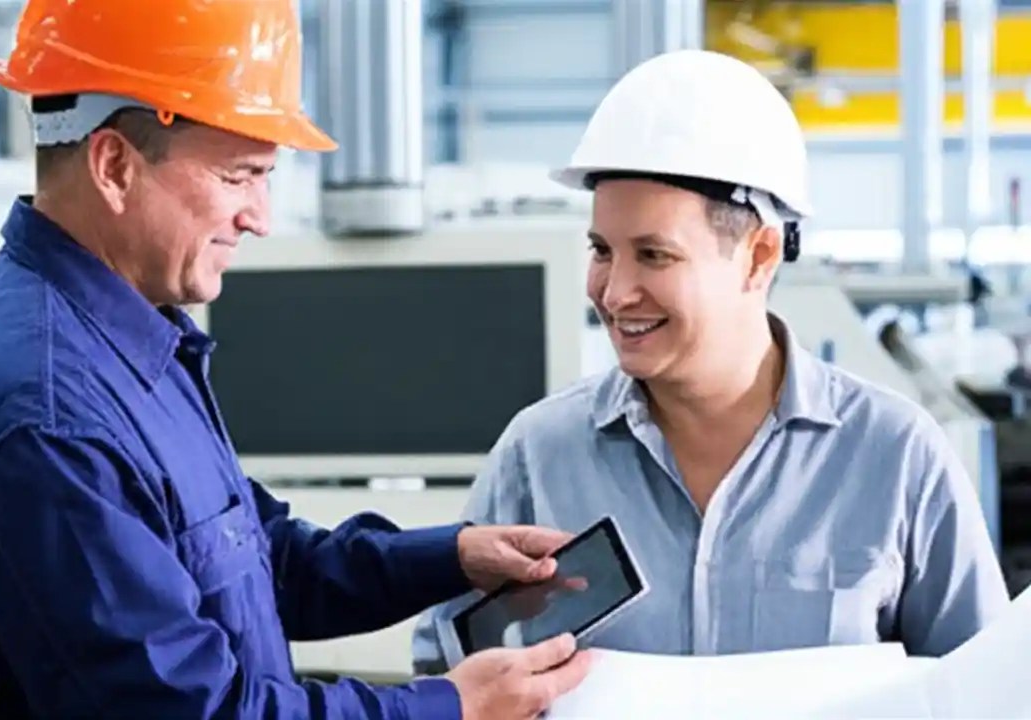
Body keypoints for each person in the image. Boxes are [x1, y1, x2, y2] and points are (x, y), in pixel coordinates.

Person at [0, 1, 592, 718]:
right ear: (114, 166)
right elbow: (192, 711)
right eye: (239, 176)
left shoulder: (130, 345)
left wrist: (452, 559)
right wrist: (447, 707)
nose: (260, 216)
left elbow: (256, 564)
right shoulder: (47, 413)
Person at [412, 49, 1011, 673]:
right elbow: (445, 678)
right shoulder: (539, 456)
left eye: (654, 255)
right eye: (602, 250)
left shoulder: (895, 455)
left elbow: (984, 687)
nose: (614, 292)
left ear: (759, 256)